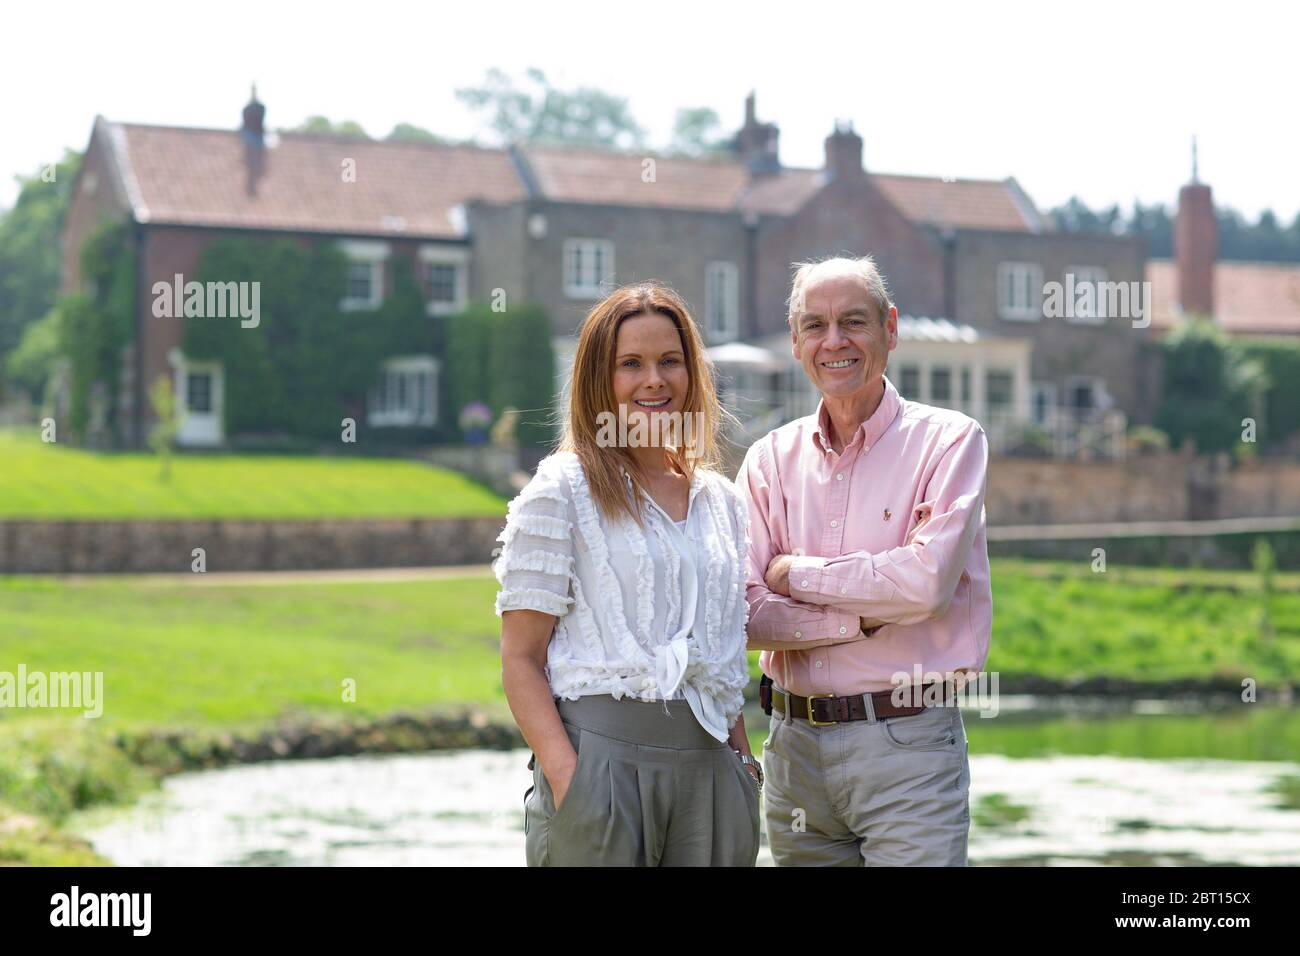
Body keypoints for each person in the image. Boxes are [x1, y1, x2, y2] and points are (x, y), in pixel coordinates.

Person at [736, 255, 992, 866]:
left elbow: (926, 585)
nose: (835, 341)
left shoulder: (951, 442)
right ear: (797, 342)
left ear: (890, 329)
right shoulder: (769, 459)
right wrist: (859, 619)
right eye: (816, 326)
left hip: (908, 748)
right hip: (793, 751)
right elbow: (742, 611)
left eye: (854, 322)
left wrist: (793, 575)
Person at [496, 282, 761, 867]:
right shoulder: (561, 489)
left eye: (671, 361)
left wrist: (745, 771)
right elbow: (520, 658)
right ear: (599, 379)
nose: (654, 381)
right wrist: (572, 783)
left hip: (713, 773)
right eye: (630, 364)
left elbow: (722, 653)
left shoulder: (722, 499)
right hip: (602, 771)